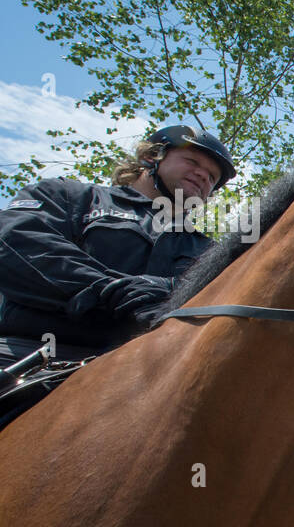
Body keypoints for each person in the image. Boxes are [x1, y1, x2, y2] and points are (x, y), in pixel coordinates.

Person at [0, 125, 236, 372]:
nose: (202, 176)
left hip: (152, 369)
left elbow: (225, 296)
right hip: (35, 353)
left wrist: (168, 287)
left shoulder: (210, 250)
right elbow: (16, 241)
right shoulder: (70, 196)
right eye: (192, 162)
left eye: (212, 177)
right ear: (151, 156)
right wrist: (106, 290)